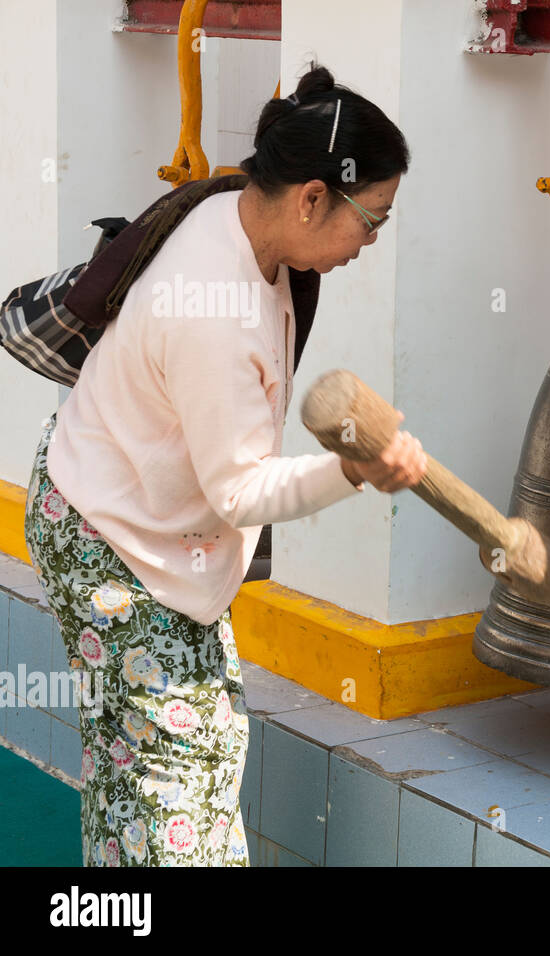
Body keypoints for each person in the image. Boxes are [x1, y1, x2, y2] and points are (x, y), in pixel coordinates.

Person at [22, 63, 426, 866]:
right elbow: (240, 491)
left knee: (158, 775)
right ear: (313, 197)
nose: (371, 243)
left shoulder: (236, 210)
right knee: (177, 786)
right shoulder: (219, 314)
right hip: (116, 549)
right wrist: (353, 469)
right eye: (371, 221)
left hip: (127, 520)